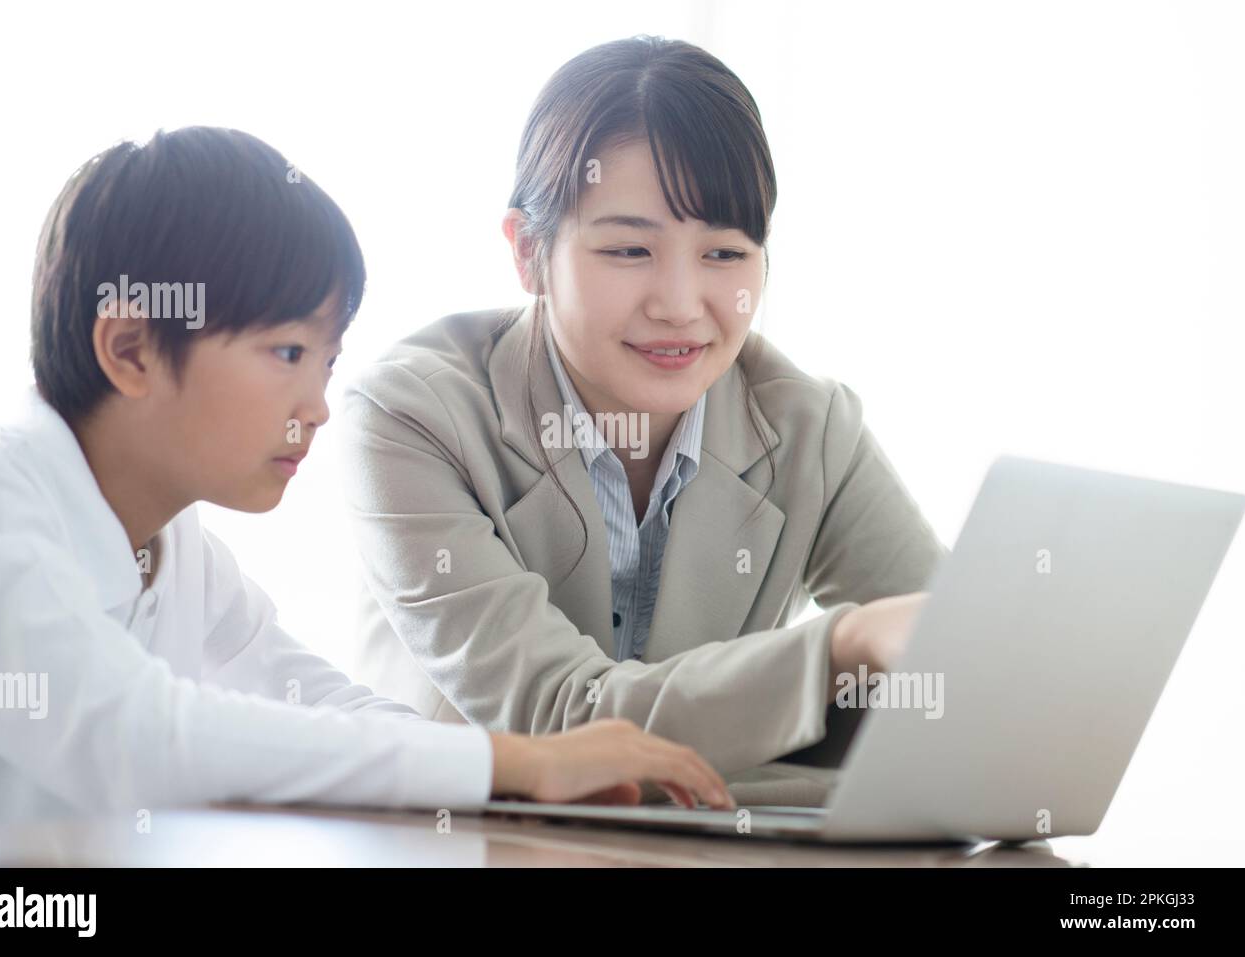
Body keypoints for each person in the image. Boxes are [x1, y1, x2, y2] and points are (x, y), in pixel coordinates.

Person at [0, 126, 734, 835]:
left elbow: (317, 701)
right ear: (130, 349)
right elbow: (142, 738)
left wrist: (520, 778)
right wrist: (505, 765)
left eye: (328, 363)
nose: (318, 407)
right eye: (289, 353)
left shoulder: (174, 548)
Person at [341, 36, 947, 800]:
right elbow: (562, 716)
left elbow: (957, 678)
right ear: (528, 251)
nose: (680, 304)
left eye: (724, 254)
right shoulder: (411, 416)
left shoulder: (810, 425)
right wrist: (840, 650)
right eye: (629, 250)